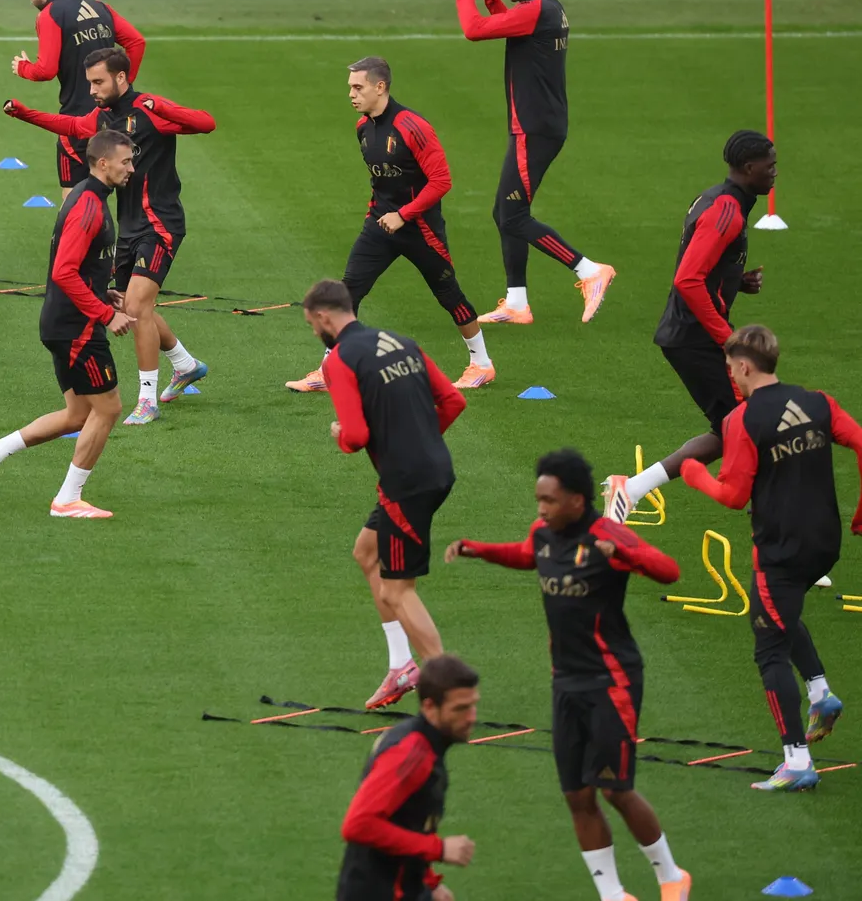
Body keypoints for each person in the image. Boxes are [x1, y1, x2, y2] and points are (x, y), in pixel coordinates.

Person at [446, 450, 691, 901]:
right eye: (539, 499)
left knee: (615, 790)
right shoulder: (544, 534)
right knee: (578, 795)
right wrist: (476, 549)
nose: (541, 508)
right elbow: (526, 555)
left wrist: (625, 555)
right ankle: (613, 895)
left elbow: (670, 571)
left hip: (611, 682)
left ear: (577, 500)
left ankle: (671, 877)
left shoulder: (607, 535)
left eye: (549, 500)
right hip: (566, 682)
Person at [679, 325, 862, 792]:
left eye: (731, 370)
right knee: (779, 613)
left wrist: (694, 472)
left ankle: (797, 761)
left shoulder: (742, 421)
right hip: (824, 543)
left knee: (769, 648)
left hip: (782, 547)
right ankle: (820, 693)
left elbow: (734, 496)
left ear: (743, 366)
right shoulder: (818, 402)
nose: (730, 379)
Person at [5, 47, 214, 424]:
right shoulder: (102, 117)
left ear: (121, 77)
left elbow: (205, 122)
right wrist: (24, 114)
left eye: (98, 82)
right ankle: (184, 364)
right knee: (133, 308)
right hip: (127, 225)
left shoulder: (150, 110)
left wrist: (161, 107)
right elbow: (71, 127)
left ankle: (147, 400)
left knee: (135, 307)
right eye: (89, 83)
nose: (92, 90)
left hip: (160, 223)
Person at [302, 279, 466, 709]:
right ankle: (401, 665)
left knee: (398, 590)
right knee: (367, 552)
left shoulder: (339, 360)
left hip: (405, 483)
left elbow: (355, 435)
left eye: (311, 324)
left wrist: (341, 436)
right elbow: (452, 400)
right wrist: (423, 443)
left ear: (322, 318)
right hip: (432, 469)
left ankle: (445, 685)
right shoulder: (400, 340)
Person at [288, 58, 495, 394]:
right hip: (380, 226)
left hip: (420, 229)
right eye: (350, 88)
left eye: (358, 88)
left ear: (380, 87)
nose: (351, 95)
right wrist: (378, 215)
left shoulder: (413, 126)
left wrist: (404, 214)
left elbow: (441, 180)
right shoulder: (363, 128)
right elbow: (381, 183)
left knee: (448, 293)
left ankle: (482, 364)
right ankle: (330, 370)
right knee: (349, 290)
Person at [604, 131, 777, 522]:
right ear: (749, 168)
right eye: (770, 165)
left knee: (729, 430)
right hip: (697, 338)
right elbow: (687, 279)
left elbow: (702, 268)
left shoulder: (717, 199)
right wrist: (727, 338)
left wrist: (736, 279)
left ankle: (629, 490)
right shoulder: (726, 211)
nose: (775, 173)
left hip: (691, 333)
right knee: (754, 428)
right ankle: (779, 537)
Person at [0, 130, 137, 518]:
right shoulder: (90, 205)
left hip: (65, 320)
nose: (131, 168)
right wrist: (107, 315)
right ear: (103, 163)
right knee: (108, 409)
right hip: (77, 328)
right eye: (125, 162)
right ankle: (67, 499)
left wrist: (102, 289)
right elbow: (64, 271)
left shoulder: (86, 196)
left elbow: (78, 267)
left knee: (78, 415)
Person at [455, 0, 616, 324]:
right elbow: (514, 25)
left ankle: (589, 270)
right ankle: (515, 303)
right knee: (505, 210)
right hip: (537, 125)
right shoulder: (546, 7)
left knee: (512, 216)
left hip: (535, 128)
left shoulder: (539, 9)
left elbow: (474, 31)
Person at [336, 654, 479, 901]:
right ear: (429, 707)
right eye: (460, 709)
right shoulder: (411, 754)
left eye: (472, 705)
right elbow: (358, 825)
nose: (471, 718)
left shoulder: (425, 742)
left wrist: (429, 883)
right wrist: (440, 849)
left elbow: (407, 821)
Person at [9, 0, 148, 187]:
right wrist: (121, 87)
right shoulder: (100, 6)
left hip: (78, 119)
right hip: (115, 118)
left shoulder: (50, 14)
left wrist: (23, 68)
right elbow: (136, 42)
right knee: (117, 195)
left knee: (74, 201)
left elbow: (45, 70)